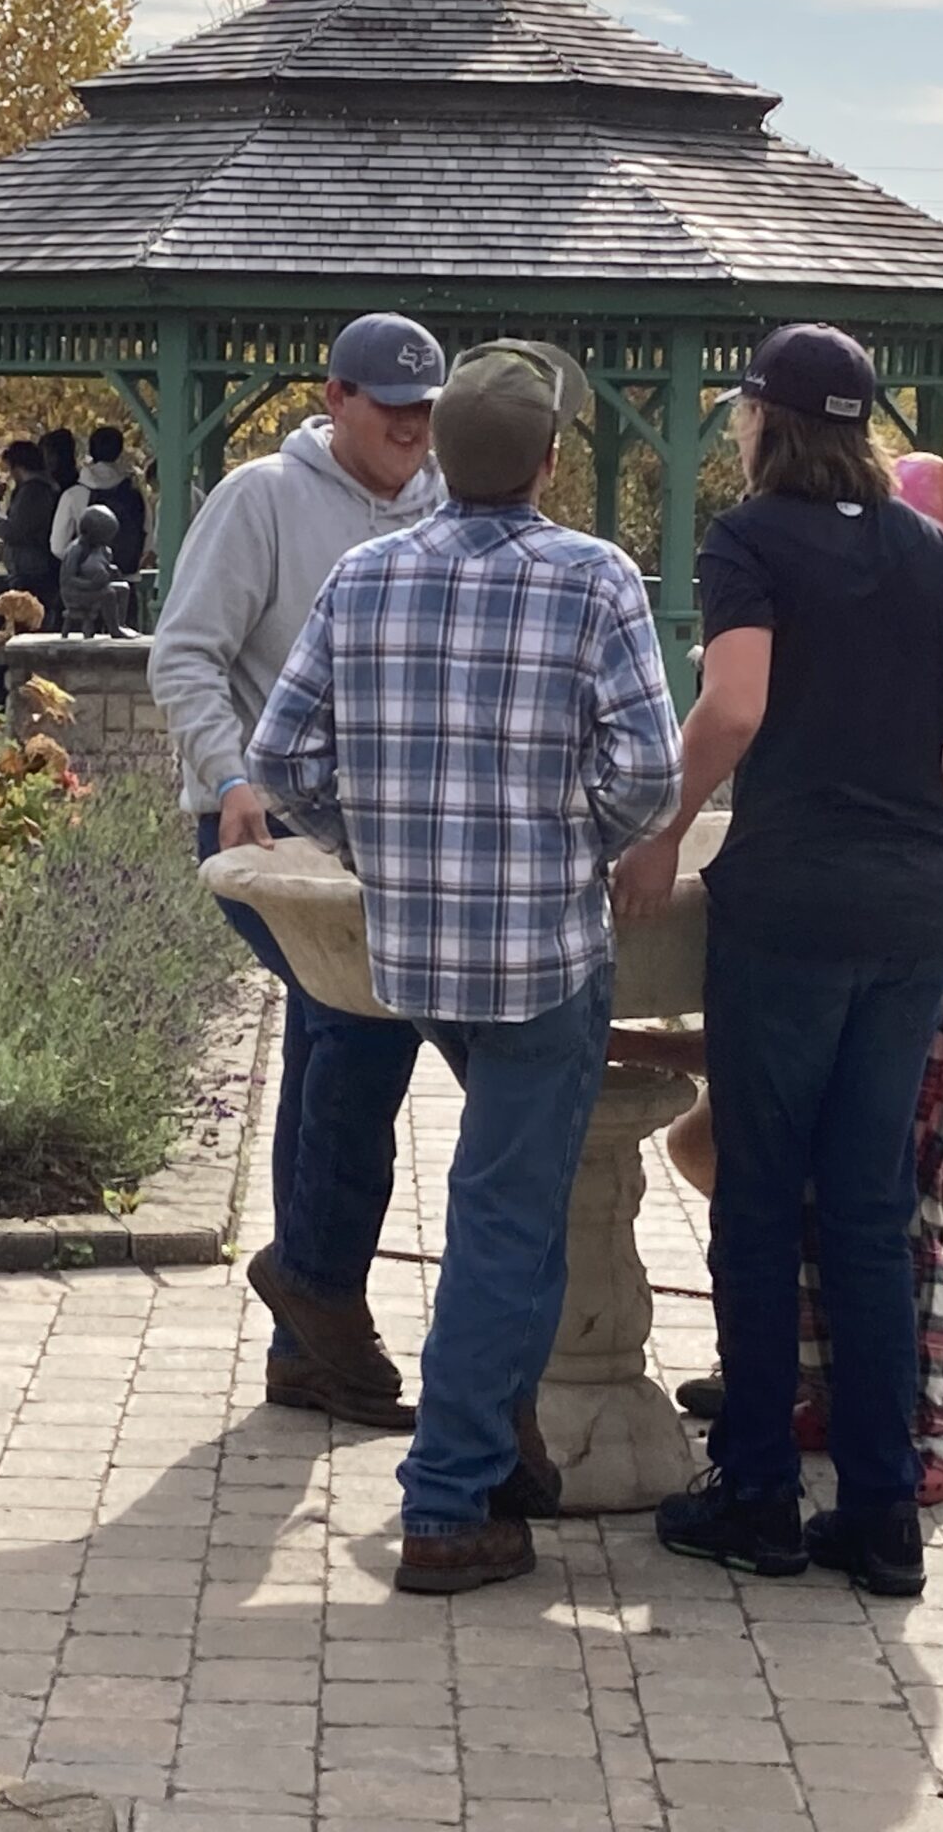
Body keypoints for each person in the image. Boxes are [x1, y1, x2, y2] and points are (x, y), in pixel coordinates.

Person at [615, 325, 943, 1597]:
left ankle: (752, 1498)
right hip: (911, 915)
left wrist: (666, 826)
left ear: (758, 417)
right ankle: (879, 1518)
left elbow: (735, 705)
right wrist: (923, 786)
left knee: (757, 1205)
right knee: (864, 1217)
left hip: (789, 908)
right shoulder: (920, 544)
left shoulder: (749, 541)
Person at [249, 340, 682, 1596]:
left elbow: (282, 758)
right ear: (550, 461)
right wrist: (579, 837)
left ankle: (501, 1451)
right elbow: (650, 776)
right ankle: (445, 1499)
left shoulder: (365, 573)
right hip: (543, 950)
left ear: (438, 450)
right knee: (505, 1216)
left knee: (517, 1205)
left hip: (415, 949)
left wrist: (368, 840)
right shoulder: (593, 578)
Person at [150, 312, 447, 1431]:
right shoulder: (260, 498)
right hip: (261, 832)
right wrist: (229, 777)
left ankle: (308, 1335)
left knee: (339, 1044)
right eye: (390, 407)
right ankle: (318, 1301)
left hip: (379, 841)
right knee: (361, 1032)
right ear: (335, 399)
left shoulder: (441, 504)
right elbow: (185, 652)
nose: (411, 428)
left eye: (427, 408)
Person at [53, 425, 151, 579]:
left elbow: (58, 546)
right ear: (119, 451)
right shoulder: (134, 493)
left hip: (87, 584)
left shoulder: (73, 494)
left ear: (91, 450)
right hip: (126, 580)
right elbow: (148, 537)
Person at [0, 439, 61, 627]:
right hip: (35, 567)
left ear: (18, 466)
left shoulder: (33, 492)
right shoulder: (45, 489)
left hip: (30, 569)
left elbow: (17, 531)